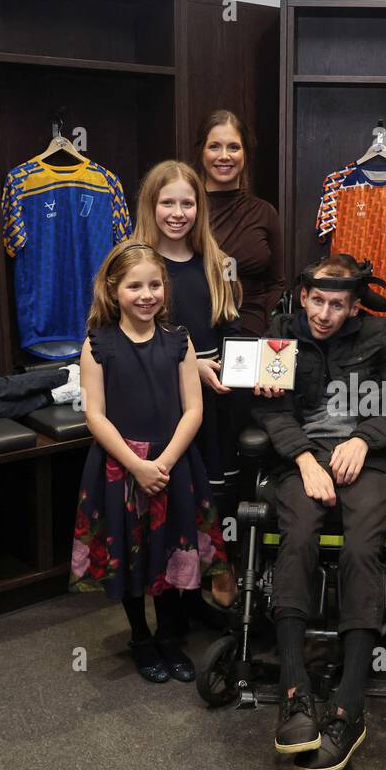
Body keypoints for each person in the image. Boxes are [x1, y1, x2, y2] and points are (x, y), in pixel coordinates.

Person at [251, 254, 386, 770]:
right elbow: (270, 411)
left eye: (338, 305)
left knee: (359, 546)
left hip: (369, 459)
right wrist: (304, 458)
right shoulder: (279, 336)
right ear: (303, 295)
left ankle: (349, 705)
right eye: (318, 301)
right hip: (302, 457)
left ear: (354, 308)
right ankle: (294, 693)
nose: (325, 314)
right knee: (298, 536)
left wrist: (362, 440)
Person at [69, 240, 230, 684]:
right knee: (131, 553)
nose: (147, 294)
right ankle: (141, 637)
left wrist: (165, 461)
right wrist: (136, 465)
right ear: (114, 289)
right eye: (135, 286)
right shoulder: (97, 344)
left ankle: (171, 637)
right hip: (120, 469)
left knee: (172, 549)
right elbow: (94, 414)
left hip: (173, 465)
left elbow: (193, 409)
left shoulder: (179, 340)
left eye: (155, 284)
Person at [132, 159, 239, 610]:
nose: (178, 212)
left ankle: (211, 574)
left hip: (215, 396)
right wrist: (189, 366)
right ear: (150, 206)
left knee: (215, 492)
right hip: (163, 403)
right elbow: (120, 342)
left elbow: (229, 325)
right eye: (167, 202)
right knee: (176, 498)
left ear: (200, 207)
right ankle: (176, 596)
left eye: (188, 202)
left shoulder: (216, 262)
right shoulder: (136, 264)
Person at [195, 109, 284, 337]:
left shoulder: (264, 213)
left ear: (245, 153)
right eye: (214, 146)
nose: (224, 155)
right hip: (193, 333)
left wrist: (268, 329)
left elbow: (276, 283)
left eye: (233, 147)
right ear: (201, 152)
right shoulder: (186, 211)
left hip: (252, 336)